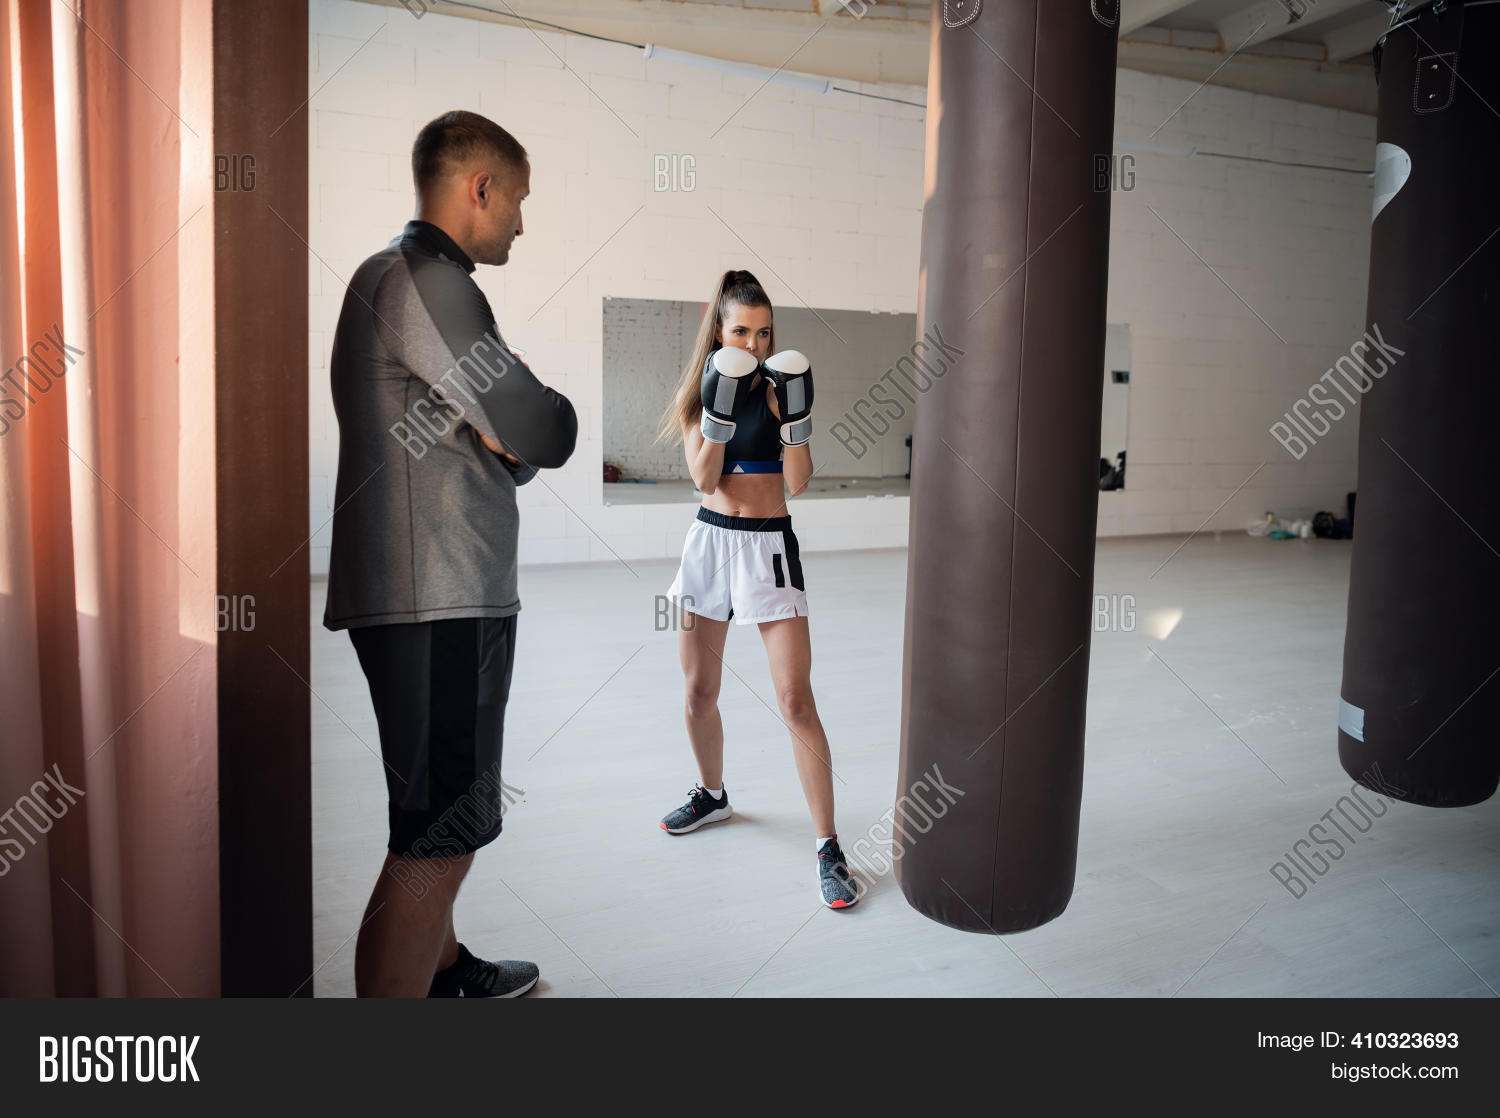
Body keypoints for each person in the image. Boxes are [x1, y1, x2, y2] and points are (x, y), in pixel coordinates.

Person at [323, 110, 577, 997]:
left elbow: (501, 445)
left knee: (440, 820)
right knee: (436, 839)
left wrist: (508, 435)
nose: (520, 221)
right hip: (436, 598)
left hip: (426, 592)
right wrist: (535, 419)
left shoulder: (386, 277)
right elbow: (540, 427)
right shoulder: (433, 281)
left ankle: (444, 971)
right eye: (517, 201)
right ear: (480, 188)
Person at [656, 269, 859, 909]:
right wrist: (719, 409)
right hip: (711, 543)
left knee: (796, 699)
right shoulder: (699, 396)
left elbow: (797, 483)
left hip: (770, 547)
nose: (753, 343)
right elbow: (703, 477)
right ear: (718, 331)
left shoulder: (784, 389)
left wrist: (790, 421)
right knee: (697, 690)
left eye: (763, 332)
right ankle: (712, 795)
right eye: (741, 331)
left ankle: (828, 846)